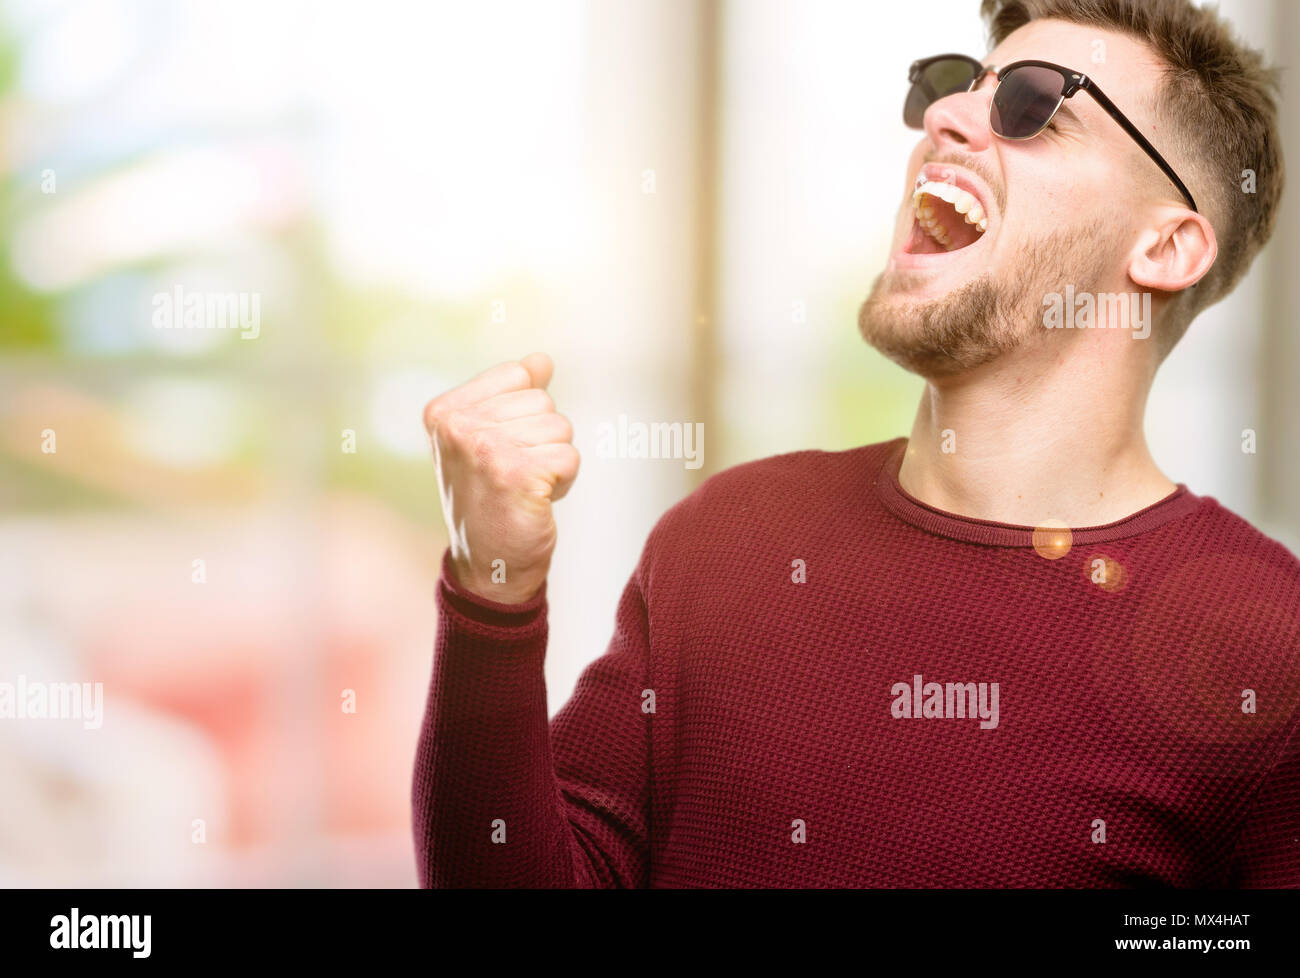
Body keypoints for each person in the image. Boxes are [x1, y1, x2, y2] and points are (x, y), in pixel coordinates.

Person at [413, 0, 1300, 887]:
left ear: (1168, 245)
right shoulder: (727, 536)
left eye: (1033, 105)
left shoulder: (1272, 647)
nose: (944, 118)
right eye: (956, 88)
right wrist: (496, 588)